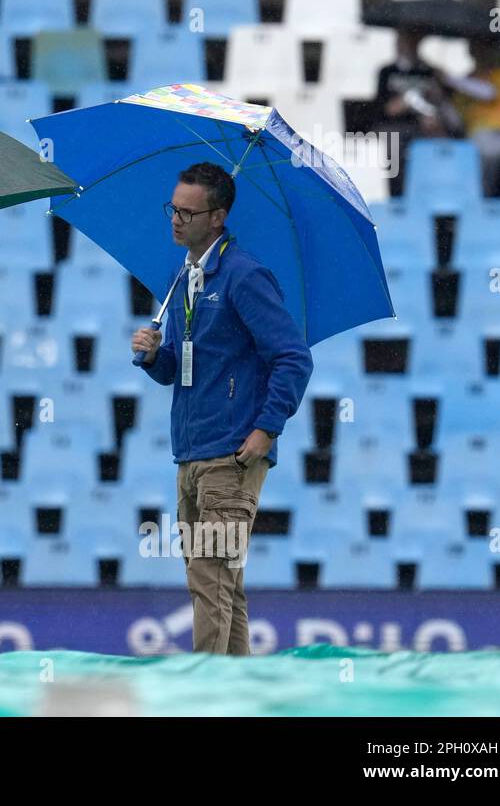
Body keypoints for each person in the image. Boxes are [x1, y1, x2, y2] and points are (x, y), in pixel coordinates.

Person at [130, 163, 312, 655]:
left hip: (230, 456)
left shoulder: (244, 276)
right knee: (222, 586)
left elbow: (293, 357)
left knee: (209, 583)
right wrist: (153, 356)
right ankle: (237, 696)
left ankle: (205, 699)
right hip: (190, 452)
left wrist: (267, 428)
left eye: (188, 213)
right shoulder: (182, 275)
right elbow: (182, 368)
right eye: (173, 208)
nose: (176, 219)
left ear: (218, 218)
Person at [369, 27, 462, 197]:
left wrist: (437, 90)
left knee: (443, 148)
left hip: (423, 128)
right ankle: (397, 198)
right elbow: (386, 109)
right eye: (404, 41)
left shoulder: (430, 72)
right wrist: (406, 101)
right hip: (393, 127)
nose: (407, 46)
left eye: (412, 41)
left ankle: (438, 198)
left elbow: (440, 105)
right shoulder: (387, 72)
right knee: (393, 147)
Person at [448, 38, 500, 198]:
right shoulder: (465, 80)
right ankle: (486, 208)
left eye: (485, 48)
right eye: (477, 48)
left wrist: (450, 80)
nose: (482, 53)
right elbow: (455, 117)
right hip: (479, 136)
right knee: (486, 157)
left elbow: (489, 93)